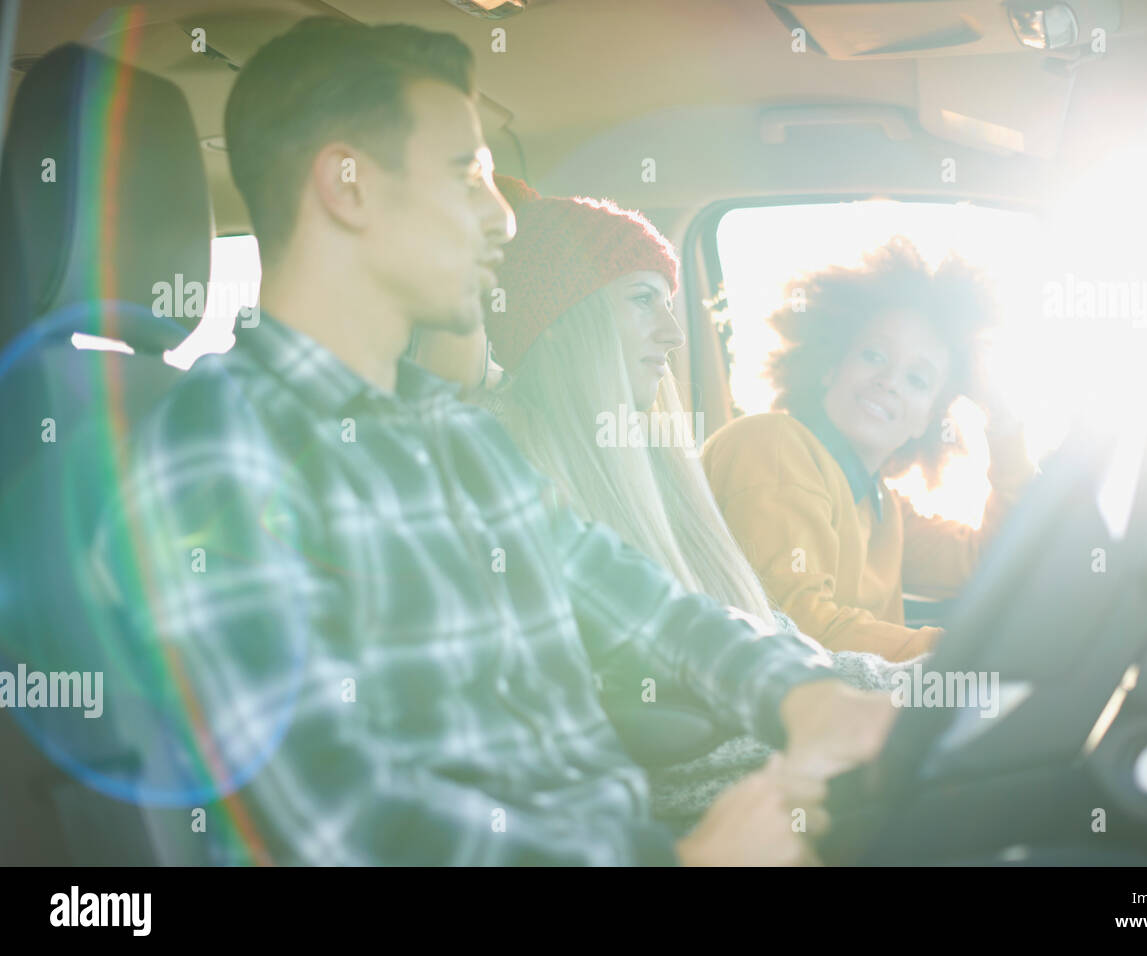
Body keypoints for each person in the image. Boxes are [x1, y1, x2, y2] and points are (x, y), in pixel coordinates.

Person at [89, 17, 894, 866]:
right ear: (348, 186)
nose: (504, 220)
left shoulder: (458, 435)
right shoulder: (214, 451)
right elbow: (326, 821)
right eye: (466, 174)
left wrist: (807, 694)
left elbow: (648, 607)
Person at [448, 176, 918, 827]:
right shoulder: (505, 476)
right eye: (643, 300)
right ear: (560, 319)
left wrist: (919, 684)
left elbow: (759, 635)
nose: (672, 336)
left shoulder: (643, 472)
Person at [702, 238, 1037, 661]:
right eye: (874, 355)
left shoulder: (881, 506)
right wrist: (963, 653)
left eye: (917, 379)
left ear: (925, 421)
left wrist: (1001, 419)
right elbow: (803, 627)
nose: (891, 380)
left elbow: (987, 560)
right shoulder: (773, 448)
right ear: (830, 369)